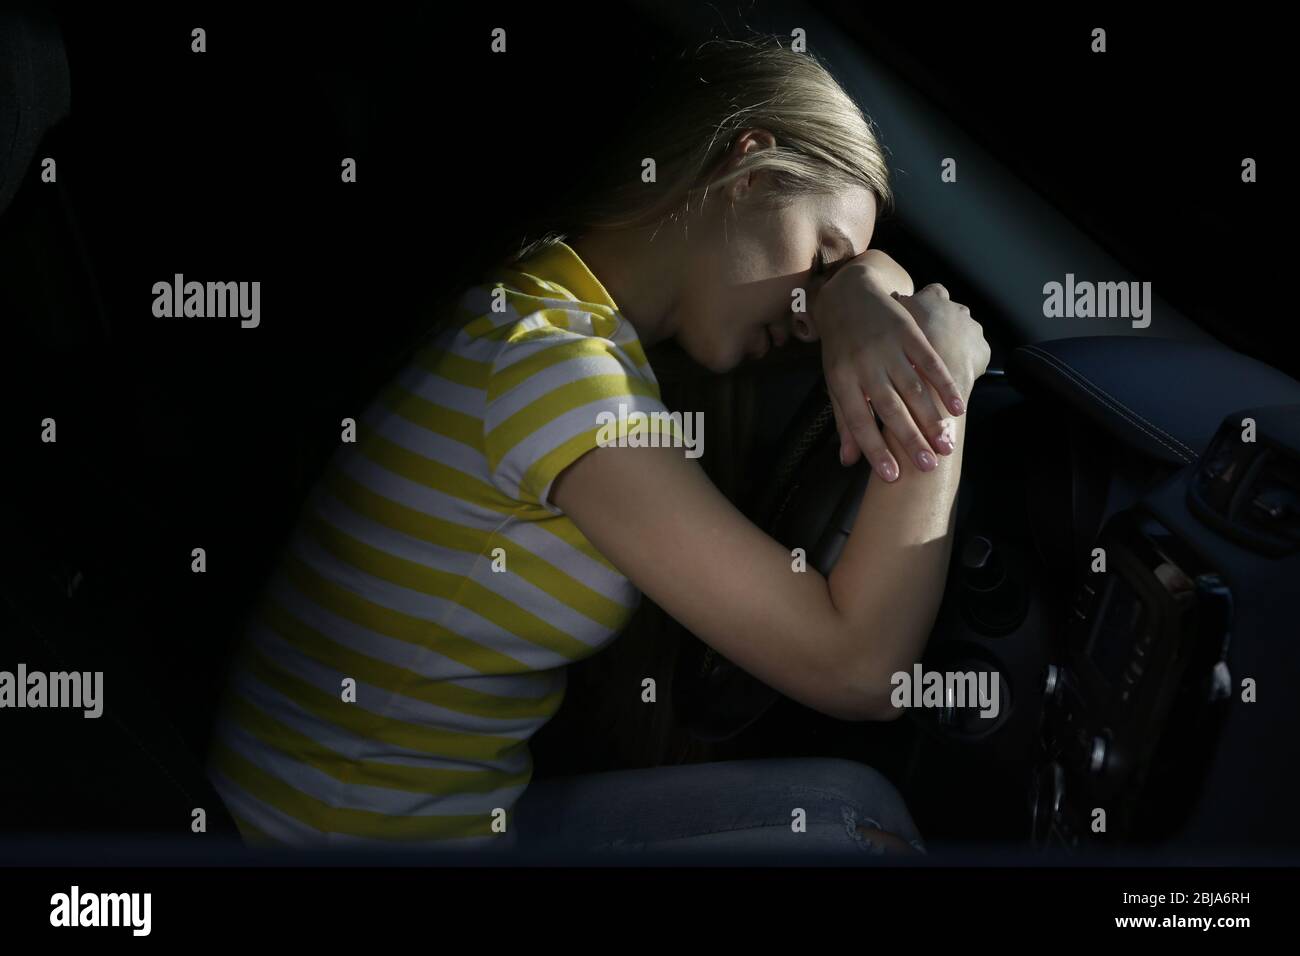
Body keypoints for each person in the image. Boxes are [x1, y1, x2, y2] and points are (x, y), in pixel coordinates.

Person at [204, 35, 990, 859]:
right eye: (821, 259)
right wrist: (942, 392)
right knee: (858, 841)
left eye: (834, 285)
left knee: (851, 808)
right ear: (748, 171)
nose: (808, 316)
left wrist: (865, 289)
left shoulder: (546, 303)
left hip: (427, 821)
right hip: (320, 839)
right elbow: (862, 671)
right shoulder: (560, 371)